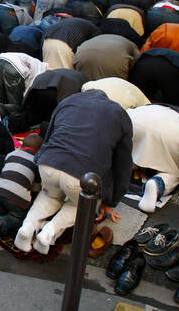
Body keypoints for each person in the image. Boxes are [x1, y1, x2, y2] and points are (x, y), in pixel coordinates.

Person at [15, 89, 133, 255]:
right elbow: (123, 164)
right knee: (81, 205)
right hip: (81, 176)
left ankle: (27, 228)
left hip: (49, 164)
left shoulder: (68, 100)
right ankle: (49, 232)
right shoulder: (120, 115)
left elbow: (49, 135)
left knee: (49, 195)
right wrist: (110, 200)